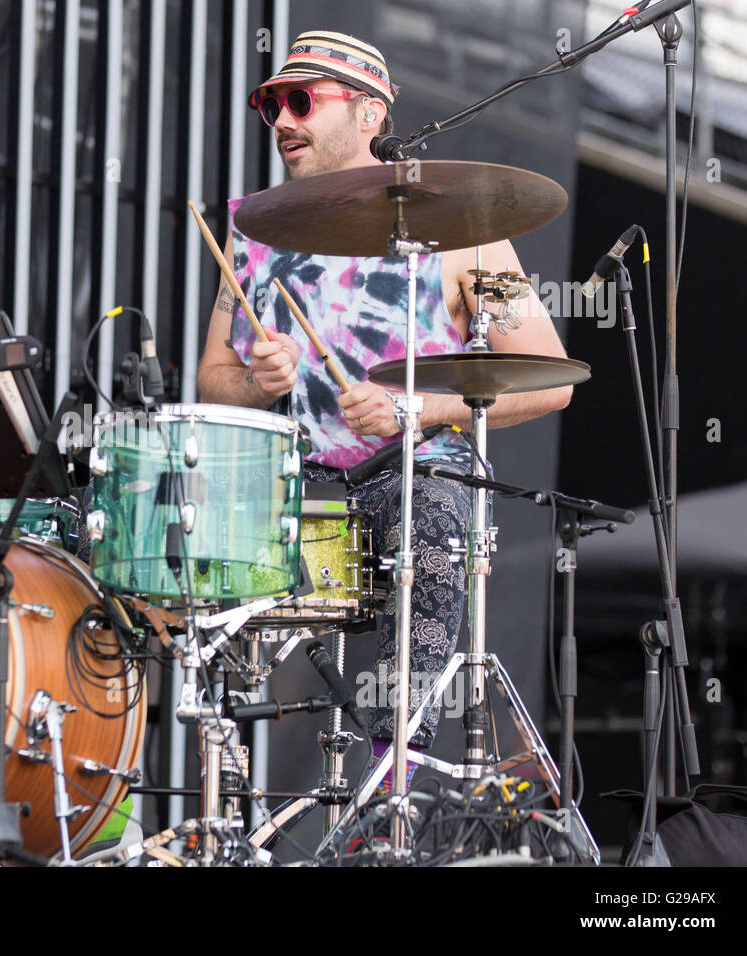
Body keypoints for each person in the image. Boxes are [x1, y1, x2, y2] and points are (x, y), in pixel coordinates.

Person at [196, 31, 573, 787]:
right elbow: (214, 380)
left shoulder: (467, 232)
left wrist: (424, 410)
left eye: (301, 102)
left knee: (433, 523)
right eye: (272, 104)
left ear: (369, 113)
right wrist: (259, 381)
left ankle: (390, 770)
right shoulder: (256, 233)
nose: (281, 120)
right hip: (290, 482)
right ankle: (213, 794)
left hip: (413, 471)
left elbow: (546, 375)